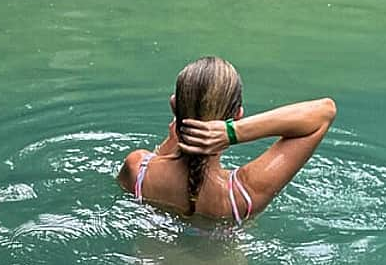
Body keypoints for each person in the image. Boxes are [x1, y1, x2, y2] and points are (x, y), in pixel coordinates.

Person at [117, 56, 336, 225]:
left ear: (174, 105)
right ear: (238, 115)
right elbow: (324, 112)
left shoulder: (137, 170)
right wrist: (233, 133)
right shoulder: (241, 195)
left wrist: (174, 137)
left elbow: (162, 162)